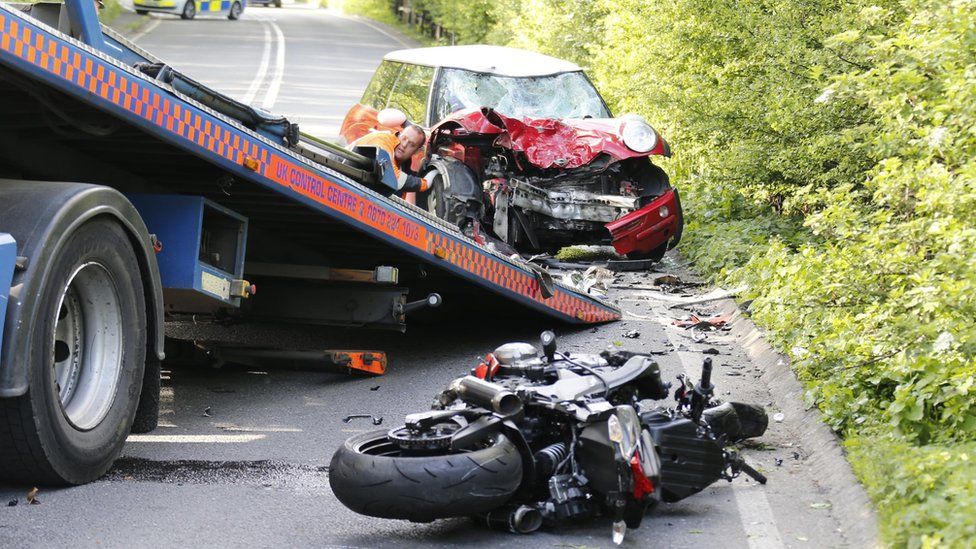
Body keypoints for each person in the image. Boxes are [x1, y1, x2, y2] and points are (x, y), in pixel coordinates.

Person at [348, 113, 429, 196]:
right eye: (404, 138)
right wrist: (425, 184)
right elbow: (391, 175)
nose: (404, 145)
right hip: (338, 177)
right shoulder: (382, 140)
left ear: (415, 152)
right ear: (398, 135)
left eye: (411, 145)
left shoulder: (403, 166)